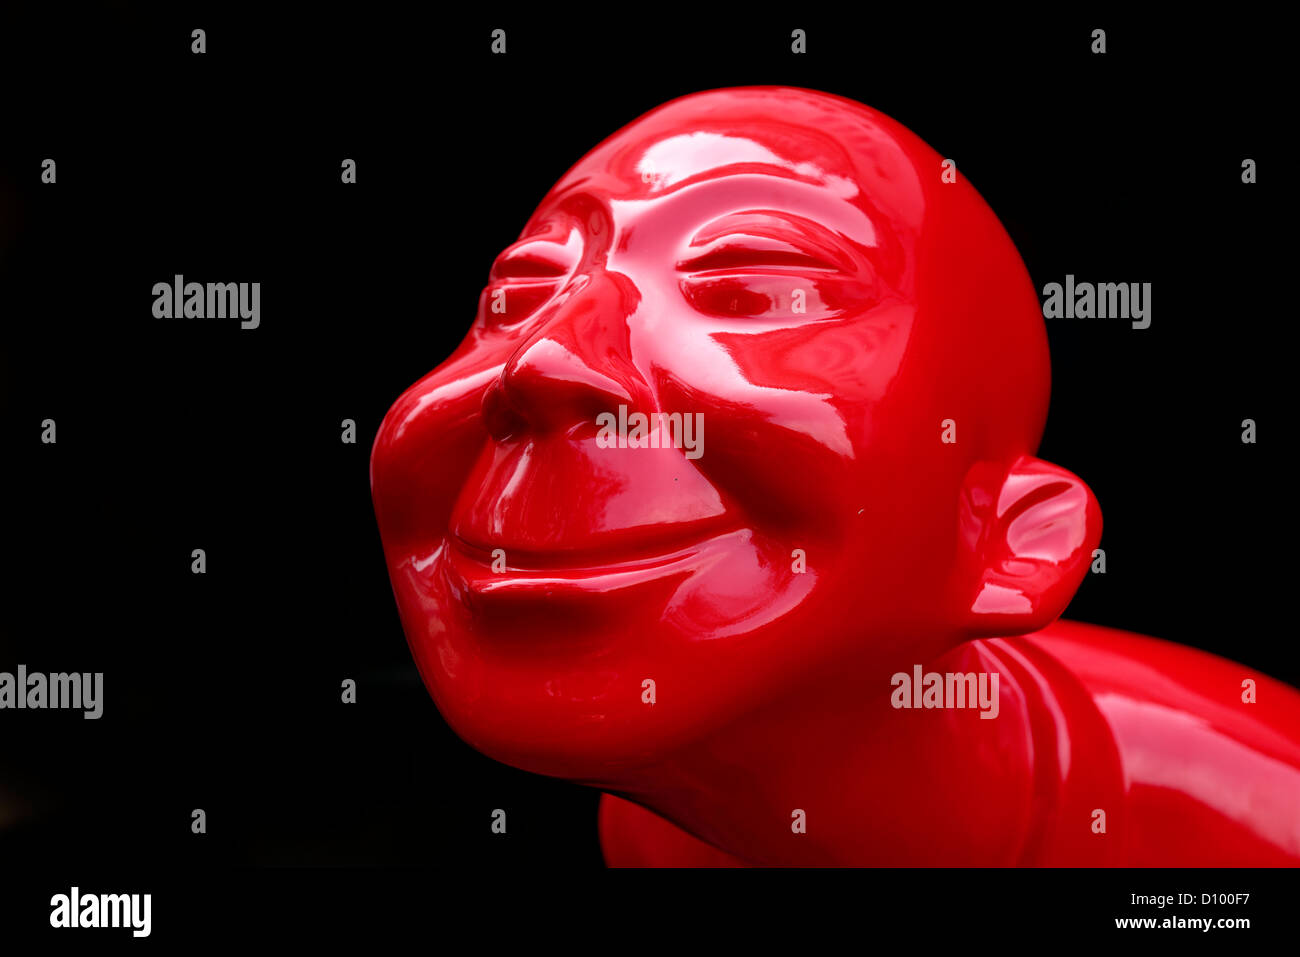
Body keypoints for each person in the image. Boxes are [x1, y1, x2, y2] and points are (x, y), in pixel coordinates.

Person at [370, 87, 1300, 866]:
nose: (541, 361)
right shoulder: (660, 827)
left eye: (751, 285)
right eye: (517, 295)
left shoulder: (1256, 829)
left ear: (1016, 542)